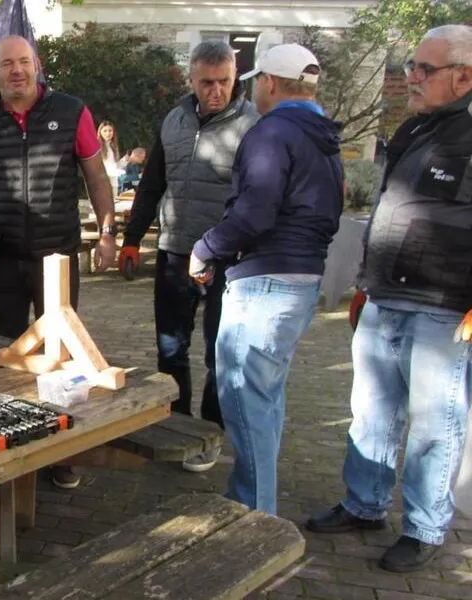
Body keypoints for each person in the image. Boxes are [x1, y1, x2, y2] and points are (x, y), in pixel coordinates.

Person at [306, 25, 472, 573]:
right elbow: (387, 211)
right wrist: (364, 282)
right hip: (385, 296)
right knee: (371, 411)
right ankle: (364, 504)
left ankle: (424, 527)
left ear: (463, 76)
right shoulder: (416, 130)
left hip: (444, 305)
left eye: (424, 69)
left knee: (434, 423)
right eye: (410, 67)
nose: (411, 78)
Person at [0, 35, 117, 489]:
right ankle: (13, 452)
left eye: (24, 62)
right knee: (9, 356)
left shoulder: (71, 111)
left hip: (57, 256)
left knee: (60, 359)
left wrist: (107, 233)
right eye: (7, 64)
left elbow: (97, 177)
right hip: (2, 258)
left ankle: (61, 455)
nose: (17, 71)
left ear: (37, 64)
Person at [190, 43, 343, 514]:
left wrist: (205, 248)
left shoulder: (272, 132)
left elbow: (254, 211)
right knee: (266, 396)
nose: (253, 88)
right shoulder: (323, 137)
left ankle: (254, 513)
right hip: (301, 276)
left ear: (270, 83)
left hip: (265, 279)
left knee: (245, 397)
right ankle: (255, 499)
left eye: (256, 80)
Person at [119, 41, 260, 472]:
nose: (215, 91)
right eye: (206, 83)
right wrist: (131, 238)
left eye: (224, 82)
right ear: (192, 80)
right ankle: (176, 424)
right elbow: (152, 184)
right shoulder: (174, 121)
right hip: (175, 252)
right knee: (170, 347)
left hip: (227, 260)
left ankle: (209, 433)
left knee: (219, 354)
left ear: (235, 78)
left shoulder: (255, 126)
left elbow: (260, 197)